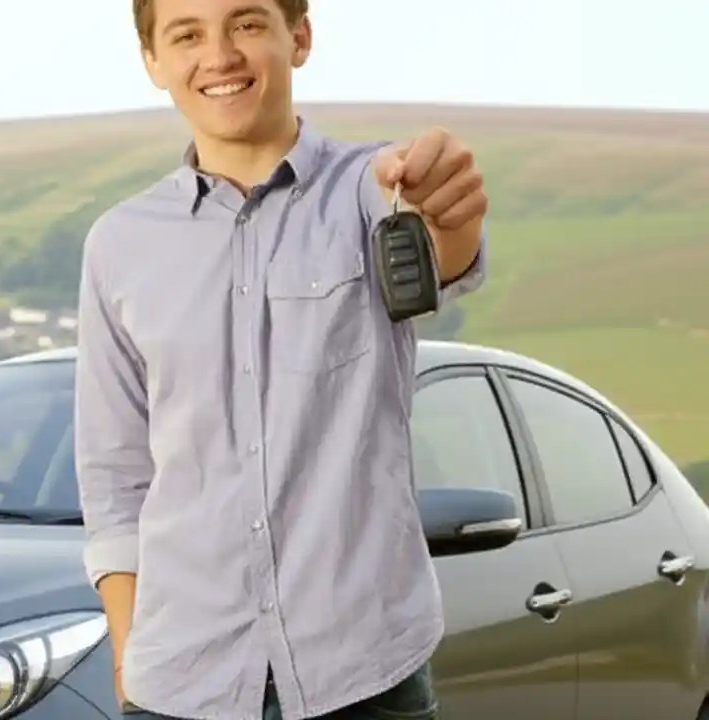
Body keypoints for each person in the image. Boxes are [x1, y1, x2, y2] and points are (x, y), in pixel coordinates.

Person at [73, 0, 489, 718]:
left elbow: (442, 252)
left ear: (298, 37)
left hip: (366, 672)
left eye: (246, 23)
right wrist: (127, 649)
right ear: (153, 61)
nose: (220, 55)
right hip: (180, 681)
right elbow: (114, 474)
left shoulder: (375, 190)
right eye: (187, 35)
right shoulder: (118, 246)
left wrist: (453, 215)